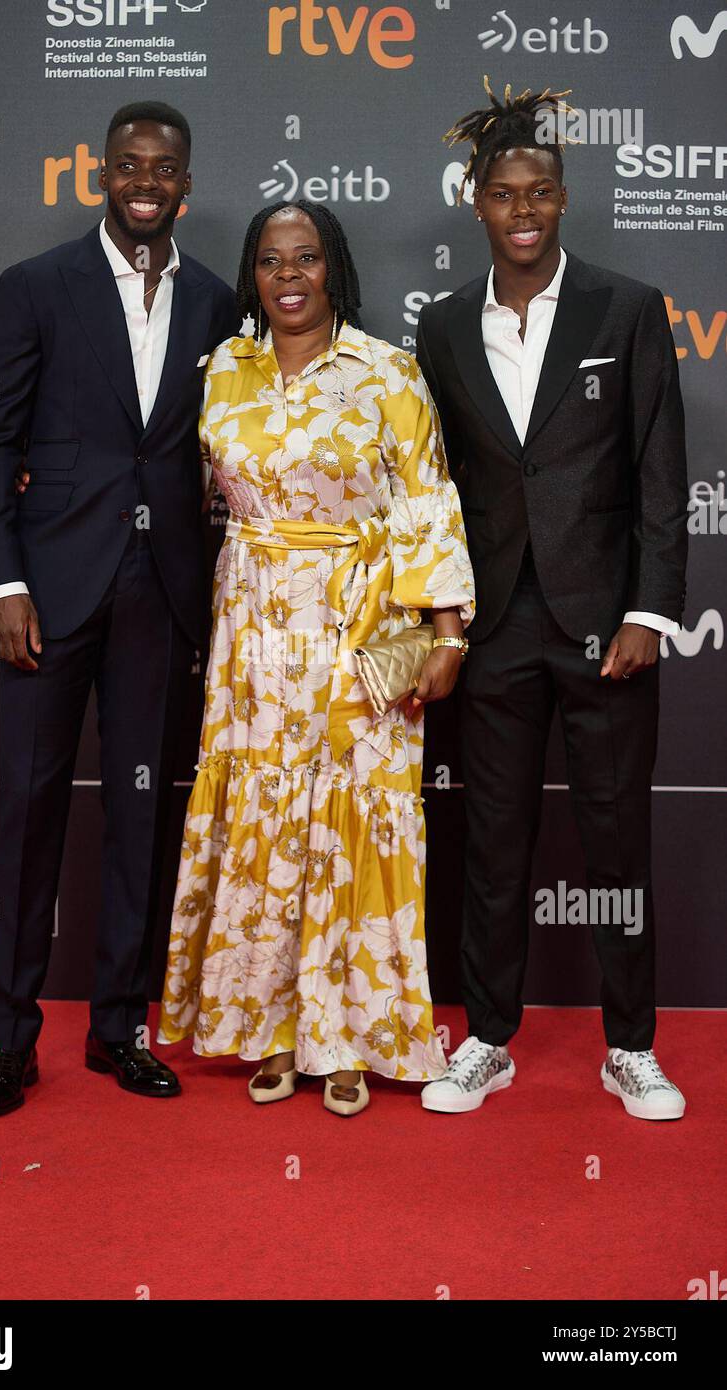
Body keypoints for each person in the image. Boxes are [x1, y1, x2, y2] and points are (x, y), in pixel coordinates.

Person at [157, 200, 475, 1116]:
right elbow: (185, 485)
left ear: (332, 266)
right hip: (252, 628)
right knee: (262, 812)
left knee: (355, 813)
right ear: (252, 275)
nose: (288, 276)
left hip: (363, 624)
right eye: (269, 260)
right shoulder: (225, 369)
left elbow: (425, 505)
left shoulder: (388, 372)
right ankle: (271, 1026)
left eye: (306, 258)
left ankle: (350, 1037)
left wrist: (444, 635)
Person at [416, 79, 689, 1121]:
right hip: (492, 629)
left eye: (538, 191)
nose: (521, 209)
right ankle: (488, 1036)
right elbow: (430, 484)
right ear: (473, 203)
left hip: (602, 623)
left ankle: (630, 1046)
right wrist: (441, 617)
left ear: (561, 200)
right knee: (492, 842)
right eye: (501, 192)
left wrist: (646, 611)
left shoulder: (624, 308)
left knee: (615, 842)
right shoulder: (439, 328)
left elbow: (658, 474)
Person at [0, 101, 240, 1116]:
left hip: (160, 593)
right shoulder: (35, 286)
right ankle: (10, 1041)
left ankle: (119, 1027)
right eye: (127, 164)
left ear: (185, 183)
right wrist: (3, 584)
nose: (143, 180)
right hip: (48, 591)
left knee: (141, 817)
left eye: (162, 167)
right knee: (28, 815)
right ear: (100, 174)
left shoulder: (216, 303)